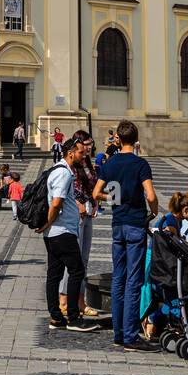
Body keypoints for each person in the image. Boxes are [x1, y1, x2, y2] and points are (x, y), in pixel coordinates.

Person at [93, 118, 159, 352]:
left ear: (118, 139)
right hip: (135, 224)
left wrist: (114, 198)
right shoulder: (140, 164)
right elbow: (150, 195)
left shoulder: (110, 164)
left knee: (118, 278)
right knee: (134, 280)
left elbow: (95, 192)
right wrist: (154, 210)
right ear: (136, 138)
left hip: (117, 224)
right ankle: (131, 335)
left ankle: (119, 333)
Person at [39, 137, 97, 333]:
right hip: (62, 232)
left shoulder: (59, 169)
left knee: (54, 274)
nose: (84, 156)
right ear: (71, 153)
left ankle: (56, 317)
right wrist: (48, 222)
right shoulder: (64, 174)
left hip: (54, 233)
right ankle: (73, 317)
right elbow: (56, 203)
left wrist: (47, 226)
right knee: (77, 271)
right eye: (81, 152)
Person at [60, 129, 102, 320]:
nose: (90, 147)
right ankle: (63, 300)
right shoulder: (71, 164)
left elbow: (92, 187)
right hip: (75, 214)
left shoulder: (87, 164)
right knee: (73, 260)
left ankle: (80, 301)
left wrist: (96, 202)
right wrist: (78, 204)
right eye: (88, 144)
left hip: (87, 213)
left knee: (83, 259)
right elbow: (66, 189)